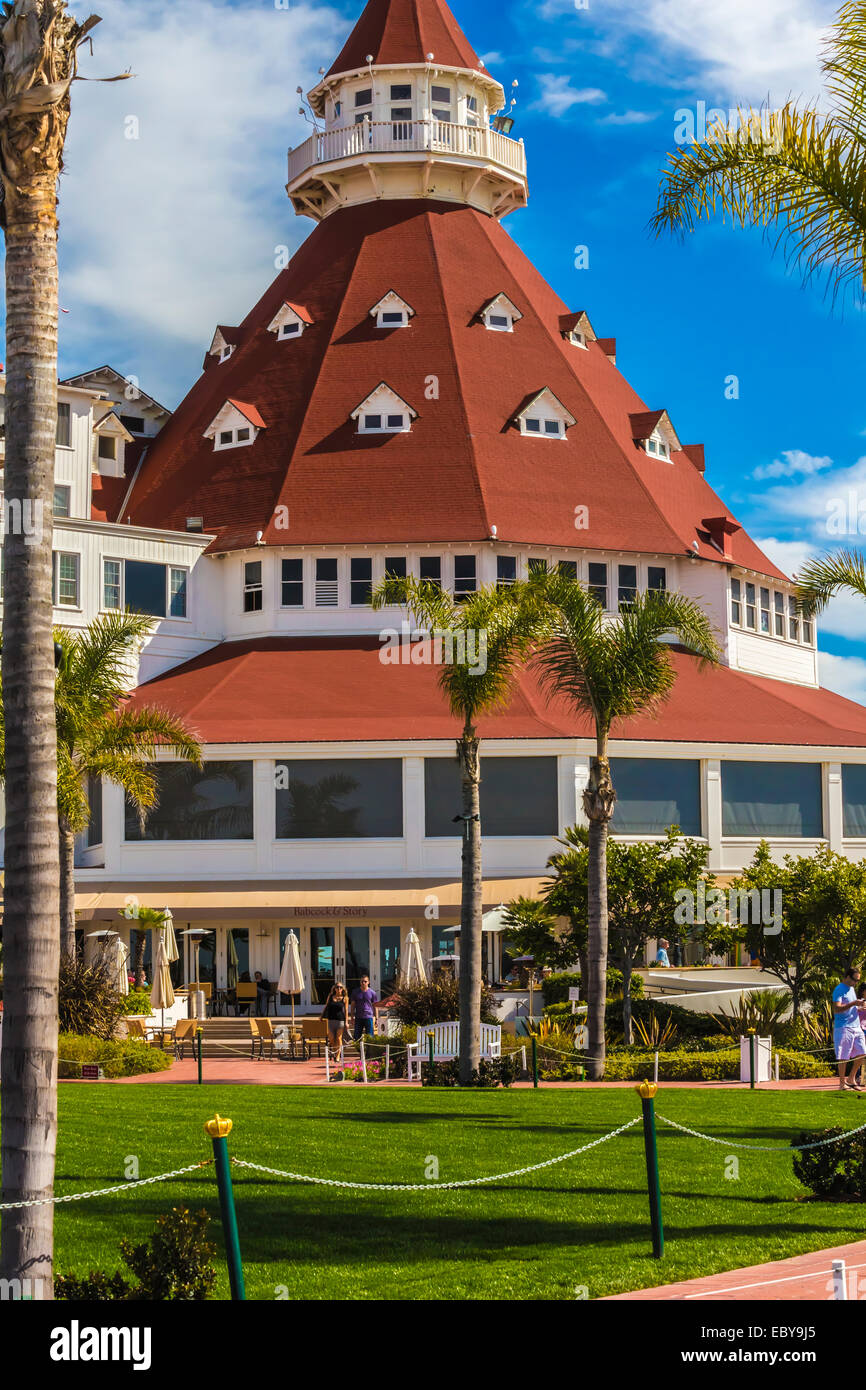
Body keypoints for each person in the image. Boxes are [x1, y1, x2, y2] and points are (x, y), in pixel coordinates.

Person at [832, 966, 866, 1091]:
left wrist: (858, 1008)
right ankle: (842, 1084)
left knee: (862, 1052)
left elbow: (850, 1008)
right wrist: (853, 1003)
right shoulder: (839, 990)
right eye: (854, 980)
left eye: (858, 980)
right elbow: (837, 1009)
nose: (856, 983)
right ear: (847, 976)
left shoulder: (851, 989)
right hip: (844, 1027)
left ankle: (851, 1078)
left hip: (856, 1026)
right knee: (843, 1056)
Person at [322, 982, 349, 1077]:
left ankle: (337, 1056)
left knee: (338, 1038)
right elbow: (326, 1006)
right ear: (334, 988)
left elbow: (346, 1011)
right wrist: (321, 1016)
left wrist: (346, 1022)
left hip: (340, 1020)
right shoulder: (330, 996)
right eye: (337, 987)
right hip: (331, 1020)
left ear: (343, 989)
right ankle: (334, 1052)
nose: (338, 989)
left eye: (340, 987)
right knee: (332, 1039)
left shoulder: (345, 998)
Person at [350, 974, 379, 1040]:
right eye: (362, 981)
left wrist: (377, 1018)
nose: (363, 983)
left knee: (370, 1037)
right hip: (358, 1017)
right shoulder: (355, 992)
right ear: (360, 982)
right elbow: (352, 1005)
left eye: (365, 981)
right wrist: (352, 1016)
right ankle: (359, 1050)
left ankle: (369, 1050)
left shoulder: (372, 993)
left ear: (368, 982)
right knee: (357, 1037)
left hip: (368, 1017)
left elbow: (375, 1006)